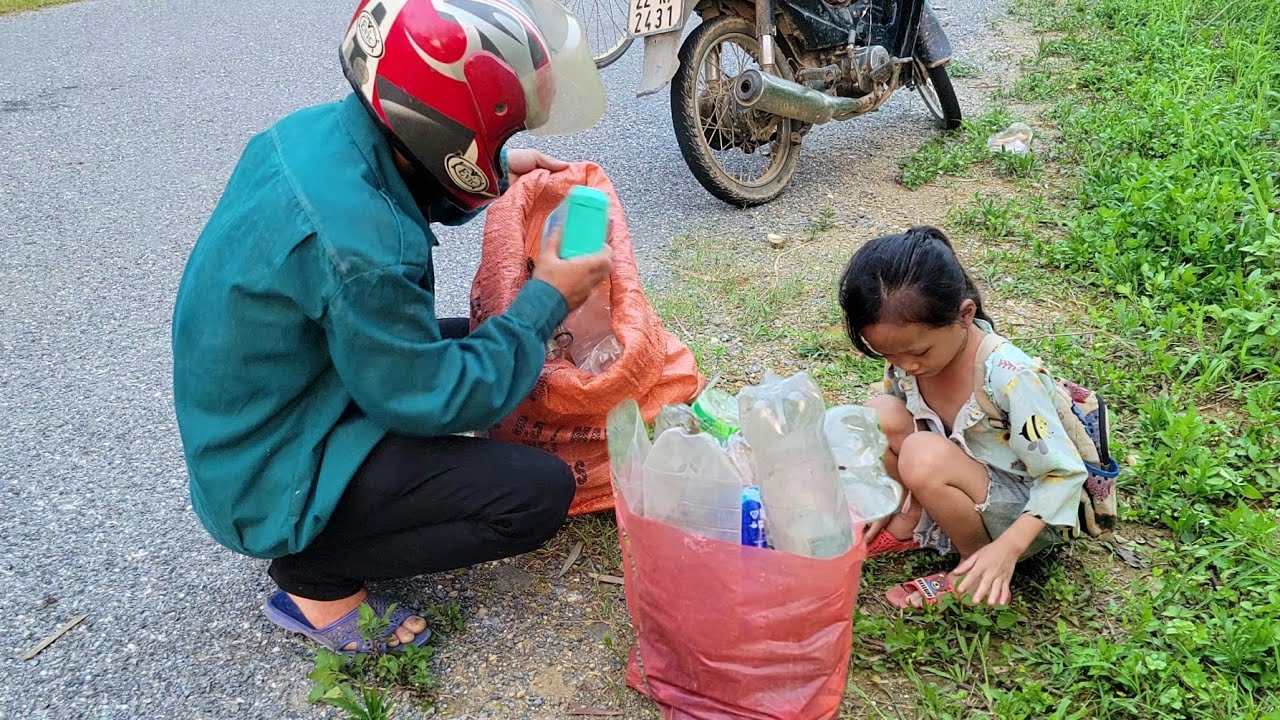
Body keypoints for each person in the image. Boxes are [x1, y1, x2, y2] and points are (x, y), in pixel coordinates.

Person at [171, 0, 612, 653]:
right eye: (497, 137)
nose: (501, 153)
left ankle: (341, 522)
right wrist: (547, 296)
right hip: (269, 471)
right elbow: (434, 397)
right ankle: (312, 576)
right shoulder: (363, 247)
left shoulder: (318, 135)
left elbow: (405, 183)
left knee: (495, 339)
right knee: (534, 494)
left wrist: (495, 175)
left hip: (284, 401)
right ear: (445, 134)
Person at [837, 226, 1088, 608]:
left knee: (922, 452)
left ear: (965, 314)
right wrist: (881, 494)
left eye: (917, 351)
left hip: (1022, 513)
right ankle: (909, 521)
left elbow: (1063, 475)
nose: (904, 365)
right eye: (888, 356)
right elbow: (896, 422)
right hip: (957, 477)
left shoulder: (1008, 376)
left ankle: (974, 565)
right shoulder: (910, 362)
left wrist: (1008, 548)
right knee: (878, 414)